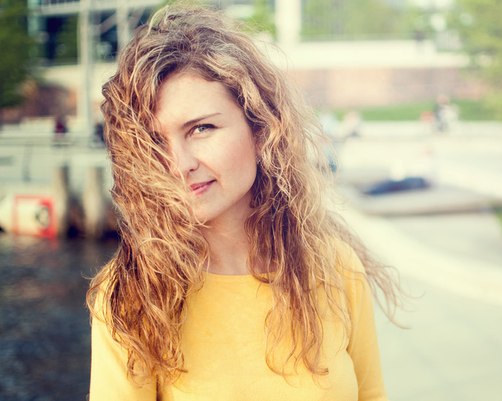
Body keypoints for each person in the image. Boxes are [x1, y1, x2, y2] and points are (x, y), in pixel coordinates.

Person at [86, 4, 402, 401]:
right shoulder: (130, 298)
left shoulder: (335, 265)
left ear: (260, 128)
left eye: (201, 128)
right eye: (155, 142)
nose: (179, 164)